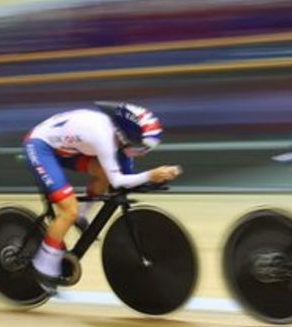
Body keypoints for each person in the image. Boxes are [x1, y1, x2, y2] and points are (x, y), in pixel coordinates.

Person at [23, 101, 182, 292]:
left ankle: (82, 215)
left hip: (67, 148)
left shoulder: (120, 137)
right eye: (140, 147)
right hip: (41, 147)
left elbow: (125, 178)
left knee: (103, 177)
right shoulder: (102, 136)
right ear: (126, 135)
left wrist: (155, 180)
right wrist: (151, 175)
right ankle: (43, 267)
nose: (142, 153)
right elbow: (118, 181)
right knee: (68, 210)